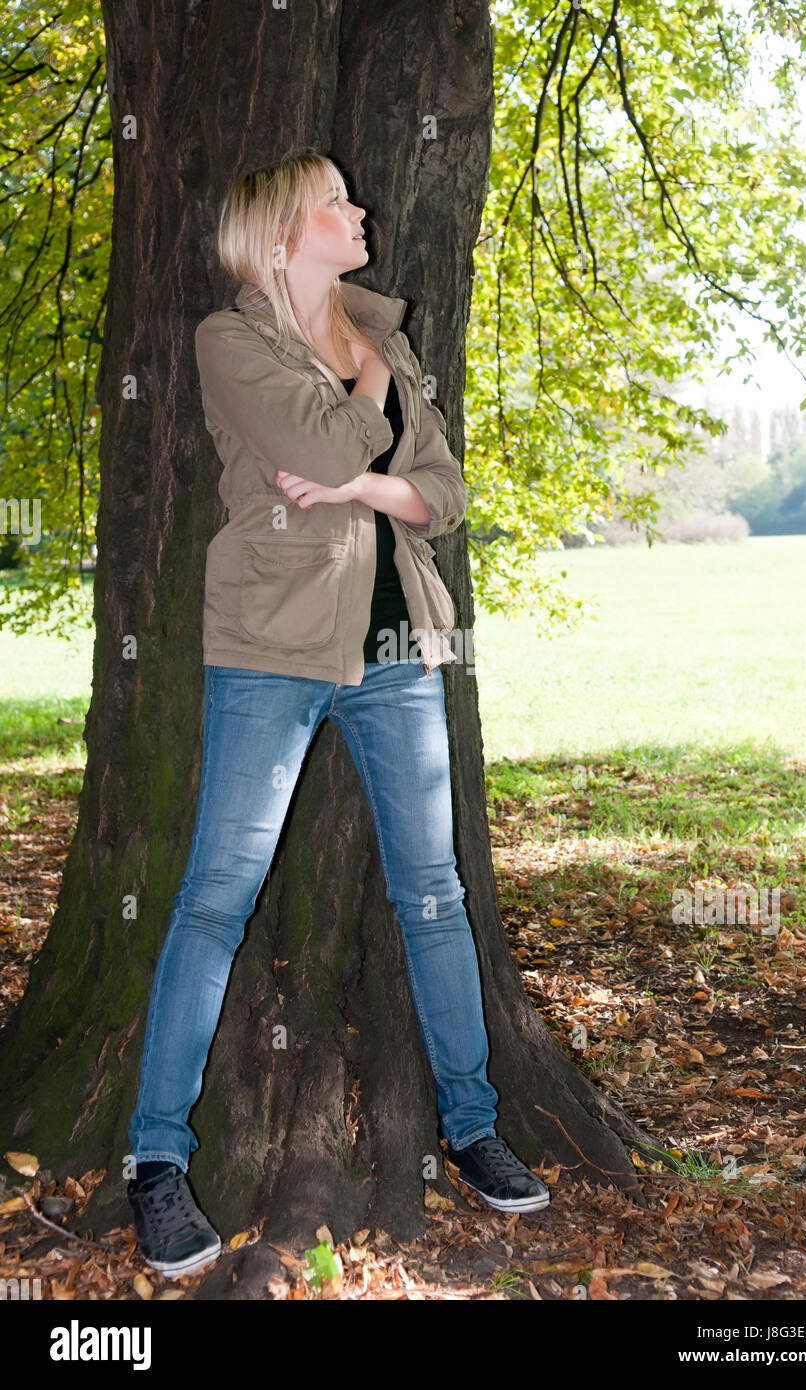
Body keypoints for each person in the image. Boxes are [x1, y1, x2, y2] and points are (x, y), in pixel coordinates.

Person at [125, 150, 549, 1280]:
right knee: (216, 897)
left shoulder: (385, 340)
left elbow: (441, 495)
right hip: (269, 648)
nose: (357, 211)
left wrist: (361, 482)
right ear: (280, 232)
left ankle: (469, 1128)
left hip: (398, 645)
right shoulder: (234, 339)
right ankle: (155, 1162)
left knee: (432, 891)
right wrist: (362, 433)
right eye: (334, 203)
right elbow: (323, 442)